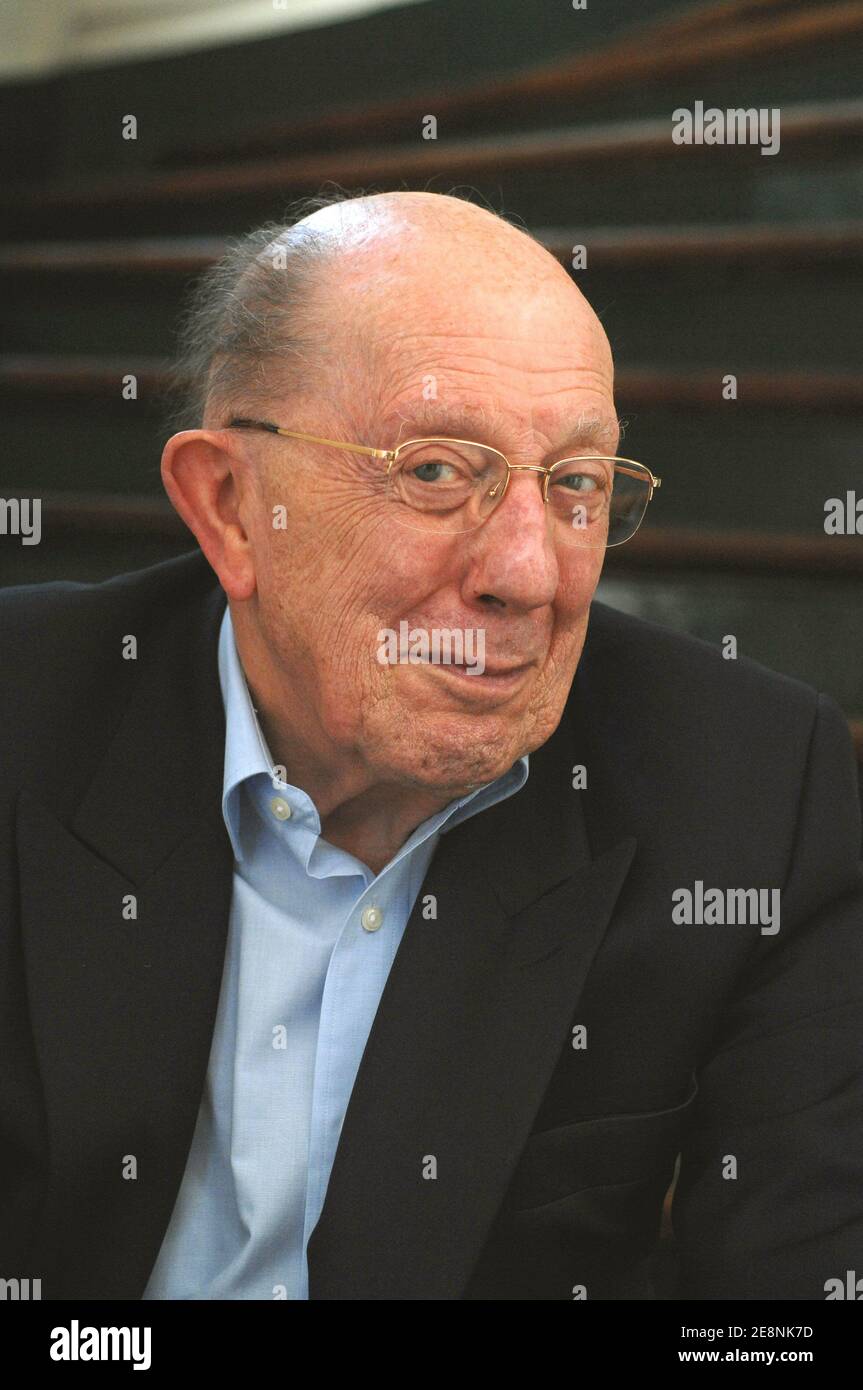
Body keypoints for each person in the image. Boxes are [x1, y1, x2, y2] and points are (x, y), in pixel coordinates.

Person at [1, 190, 861, 1301]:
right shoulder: (26, 708)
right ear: (229, 506)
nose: (529, 574)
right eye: (436, 472)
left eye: (576, 485)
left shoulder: (747, 788)